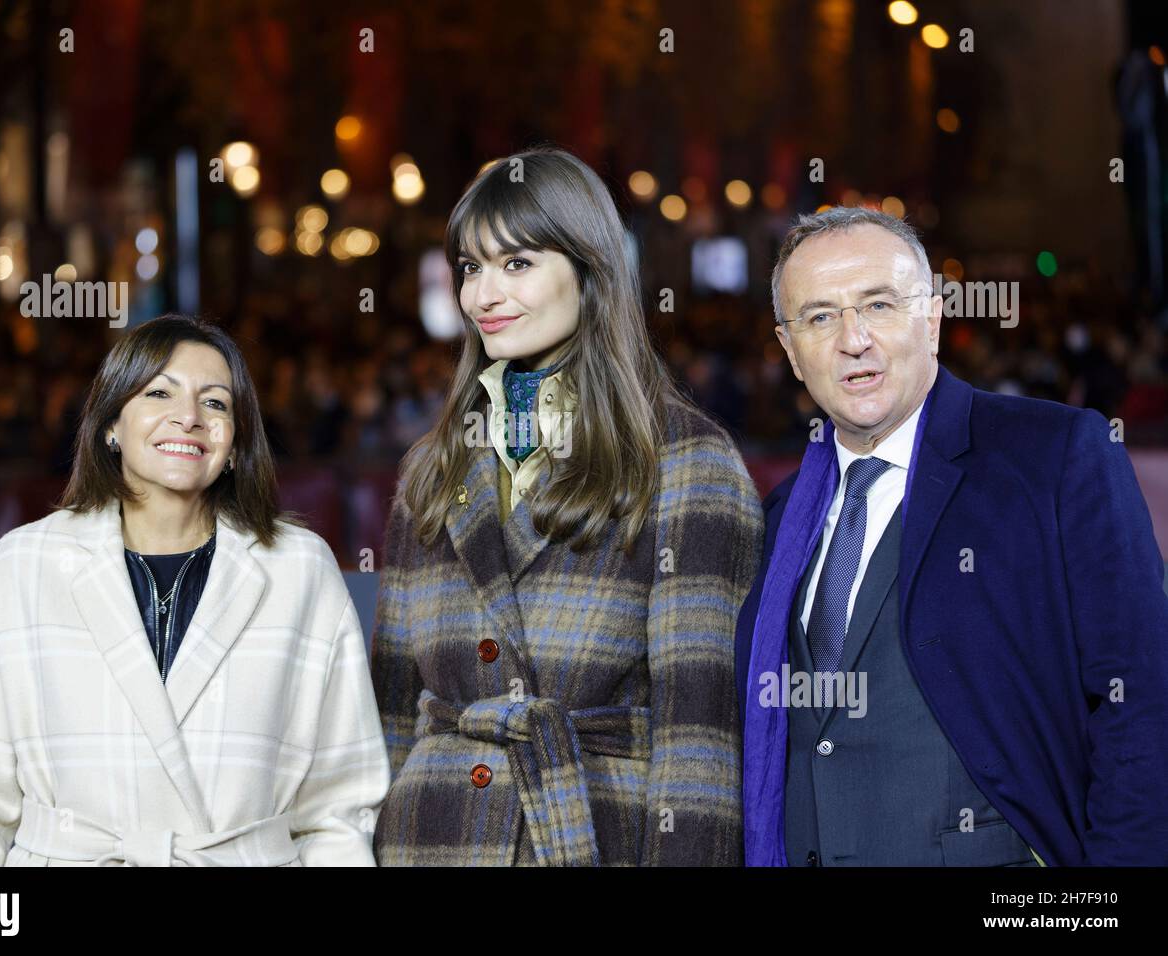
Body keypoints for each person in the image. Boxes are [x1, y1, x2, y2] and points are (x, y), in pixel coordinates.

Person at [736, 206, 1168, 866]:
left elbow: (1140, 702)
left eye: (878, 305)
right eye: (820, 317)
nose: (853, 339)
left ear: (932, 319)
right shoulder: (780, 518)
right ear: (791, 350)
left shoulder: (1054, 459)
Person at [370, 147, 763, 866]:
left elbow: (699, 740)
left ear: (591, 270)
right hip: (427, 838)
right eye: (470, 267)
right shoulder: (432, 467)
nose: (484, 293)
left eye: (517, 264)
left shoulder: (687, 461)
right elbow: (391, 718)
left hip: (592, 833)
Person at [0, 315, 389, 866]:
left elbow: (339, 807)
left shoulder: (299, 568)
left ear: (234, 443)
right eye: (159, 392)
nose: (188, 417)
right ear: (112, 424)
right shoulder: (27, 564)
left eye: (214, 403)